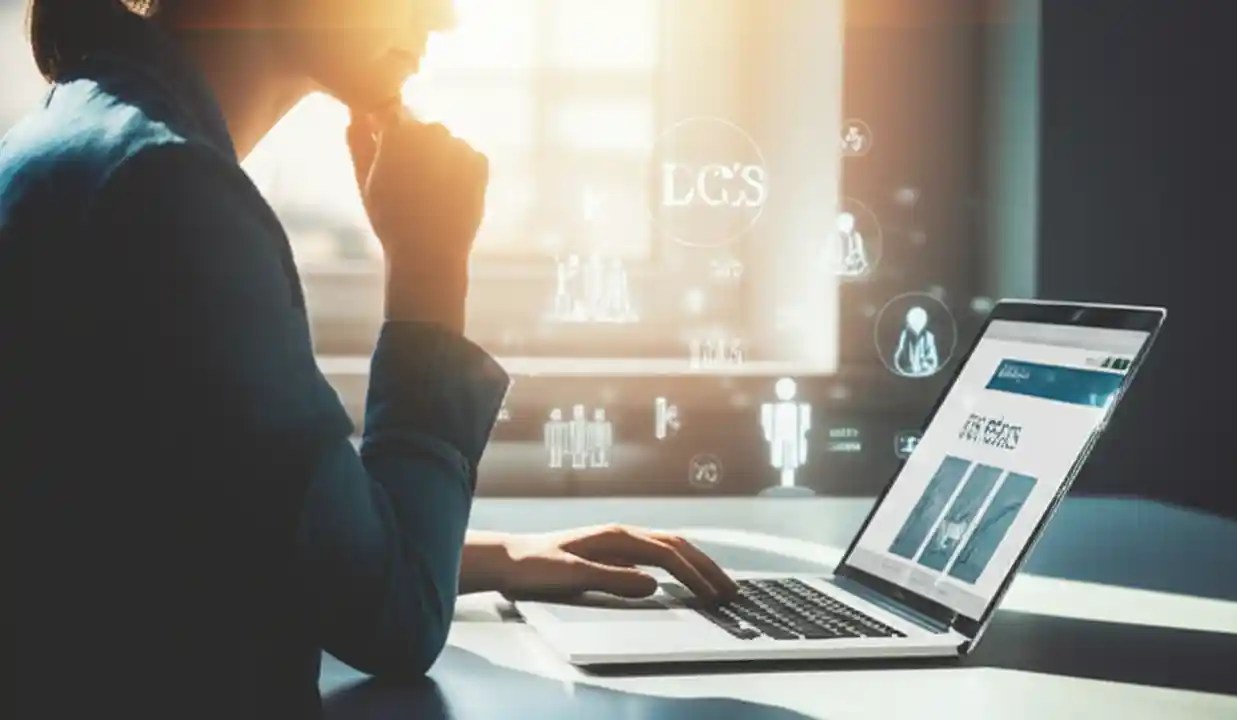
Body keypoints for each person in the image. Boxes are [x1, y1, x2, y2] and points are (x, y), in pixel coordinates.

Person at [0, 1, 736, 717]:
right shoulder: (170, 193)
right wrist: (429, 269)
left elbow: (199, 533)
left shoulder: (79, 140)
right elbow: (395, 625)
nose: (443, 18)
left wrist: (481, 556)